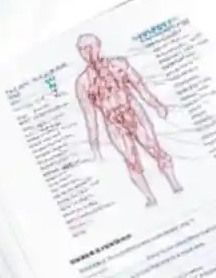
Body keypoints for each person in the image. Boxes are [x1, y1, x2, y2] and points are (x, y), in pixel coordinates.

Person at [75, 33, 182, 206]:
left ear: (98, 46)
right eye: (82, 49)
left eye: (89, 47)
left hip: (133, 111)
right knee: (131, 160)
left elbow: (140, 87)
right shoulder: (83, 83)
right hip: (113, 122)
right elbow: (90, 117)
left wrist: (157, 105)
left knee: (154, 147)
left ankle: (175, 184)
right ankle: (150, 198)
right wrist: (94, 145)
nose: (87, 52)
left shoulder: (119, 64)